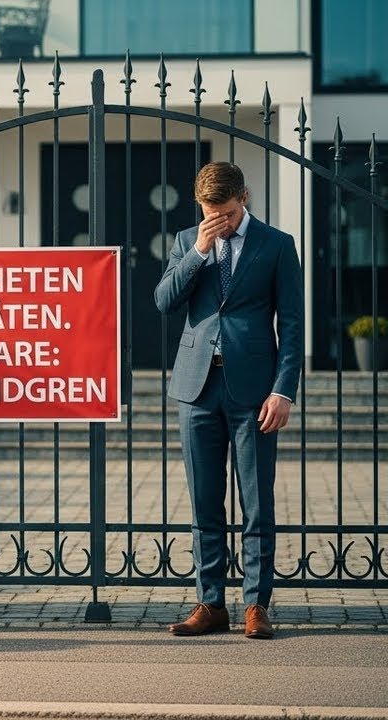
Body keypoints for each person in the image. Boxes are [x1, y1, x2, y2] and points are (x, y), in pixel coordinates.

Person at [154, 161, 303, 640]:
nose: (219, 221)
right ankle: (211, 603)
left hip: (255, 391)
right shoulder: (187, 242)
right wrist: (199, 251)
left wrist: (283, 389)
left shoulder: (277, 245)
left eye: (228, 213)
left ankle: (257, 604)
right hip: (196, 389)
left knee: (256, 502)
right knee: (204, 502)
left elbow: (293, 324)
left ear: (245, 198)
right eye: (210, 213)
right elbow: (164, 301)